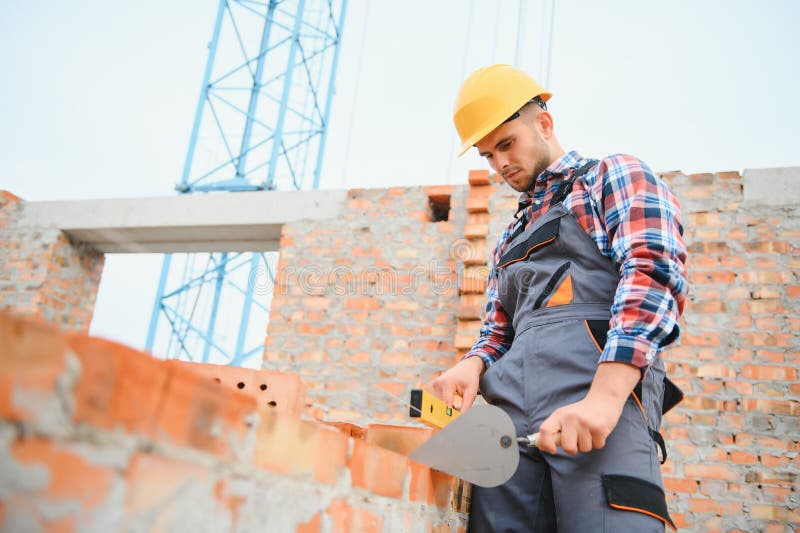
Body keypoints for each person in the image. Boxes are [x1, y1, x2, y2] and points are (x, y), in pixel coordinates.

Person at [432, 64, 688, 532]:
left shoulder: (610, 177)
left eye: (506, 144)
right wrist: (472, 363)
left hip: (597, 420)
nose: (500, 164)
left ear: (544, 124)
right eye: (488, 155)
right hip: (509, 439)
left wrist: (604, 399)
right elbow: (497, 332)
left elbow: (652, 272)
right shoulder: (508, 237)